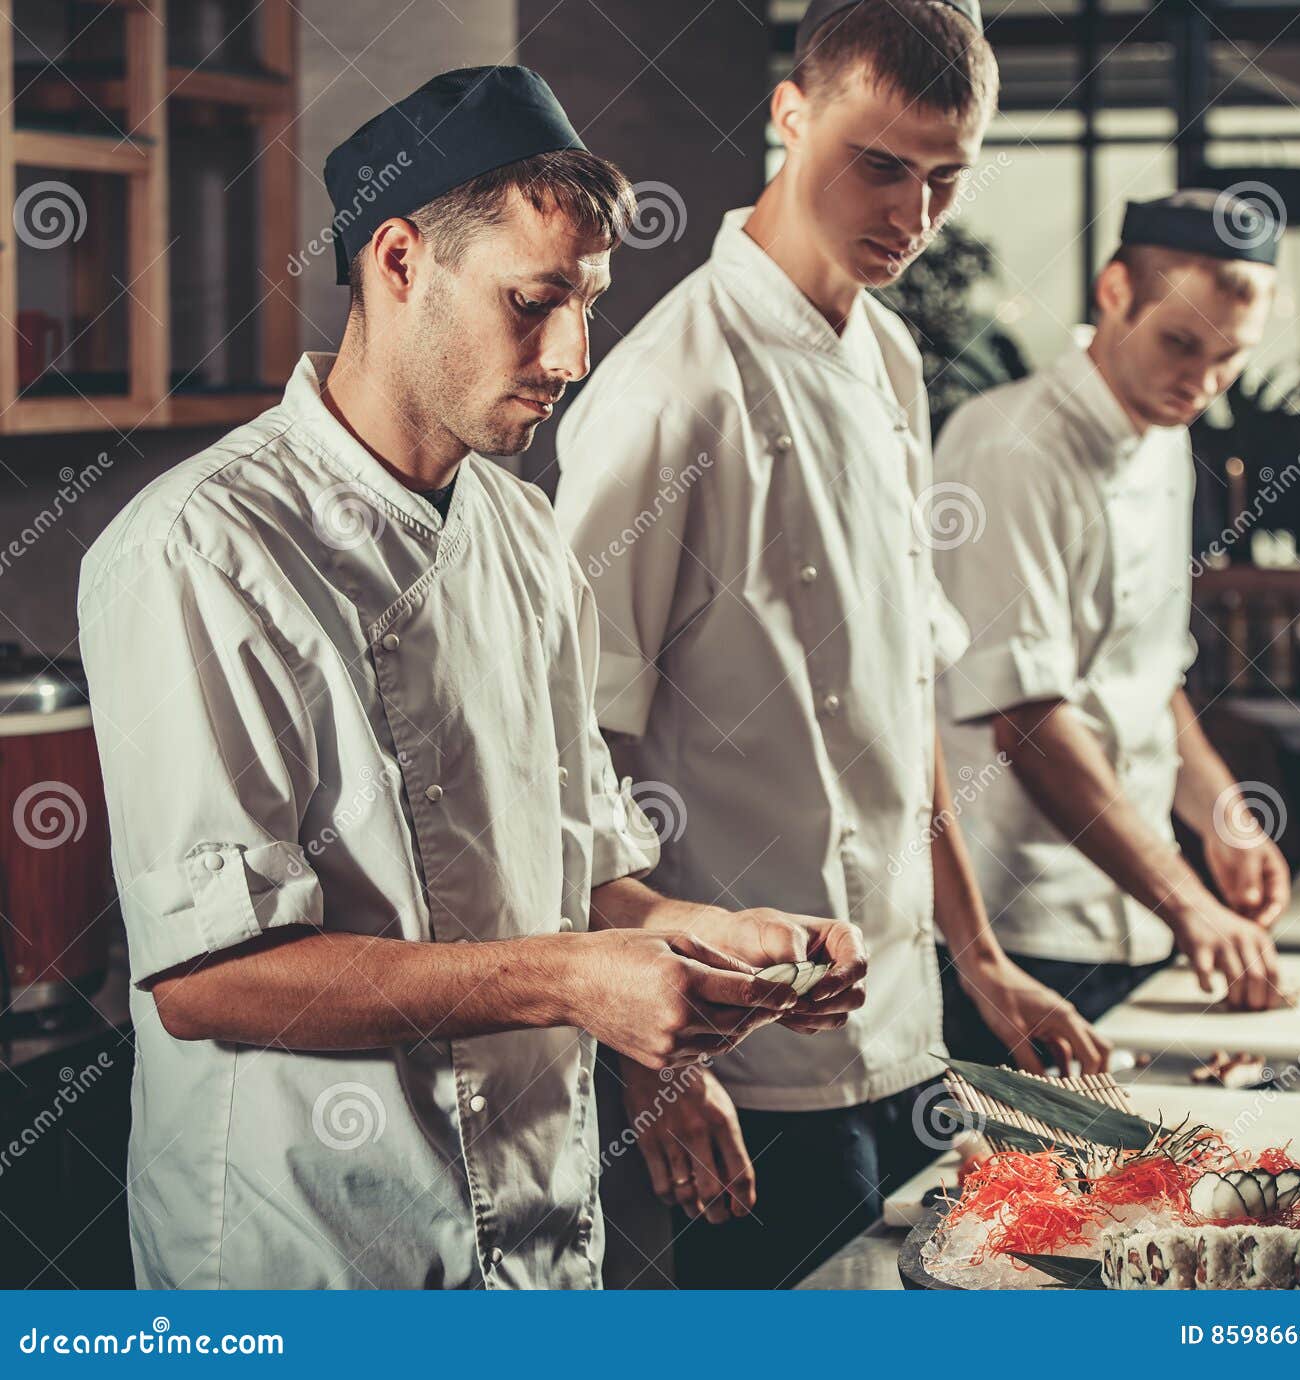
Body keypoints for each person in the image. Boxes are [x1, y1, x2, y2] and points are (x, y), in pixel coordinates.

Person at [76, 66, 864, 1291]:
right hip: (315, 1256)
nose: (572, 353)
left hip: (539, 1236)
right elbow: (206, 979)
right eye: (535, 301)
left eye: (589, 304)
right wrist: (572, 982)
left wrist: (704, 948)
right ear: (398, 261)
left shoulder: (522, 528)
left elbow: (583, 872)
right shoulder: (201, 547)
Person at [555, 0, 1111, 1291]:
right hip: (747, 1065)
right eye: (880, 164)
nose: (913, 216)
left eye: (945, 178)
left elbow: (904, 696)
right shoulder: (665, 390)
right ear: (789, 115)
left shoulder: (894, 360)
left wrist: (979, 960)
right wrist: (664, 1061)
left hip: (908, 1028)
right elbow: (567, 762)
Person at [933, 190, 1294, 1062]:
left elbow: (1142, 676)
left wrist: (1220, 816)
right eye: (1180, 343)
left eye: (1228, 359)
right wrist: (1188, 901)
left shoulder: (1164, 438)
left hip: (1131, 912)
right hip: (1022, 926)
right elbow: (1028, 718)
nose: (1203, 383)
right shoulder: (1007, 448)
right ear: (1113, 292)